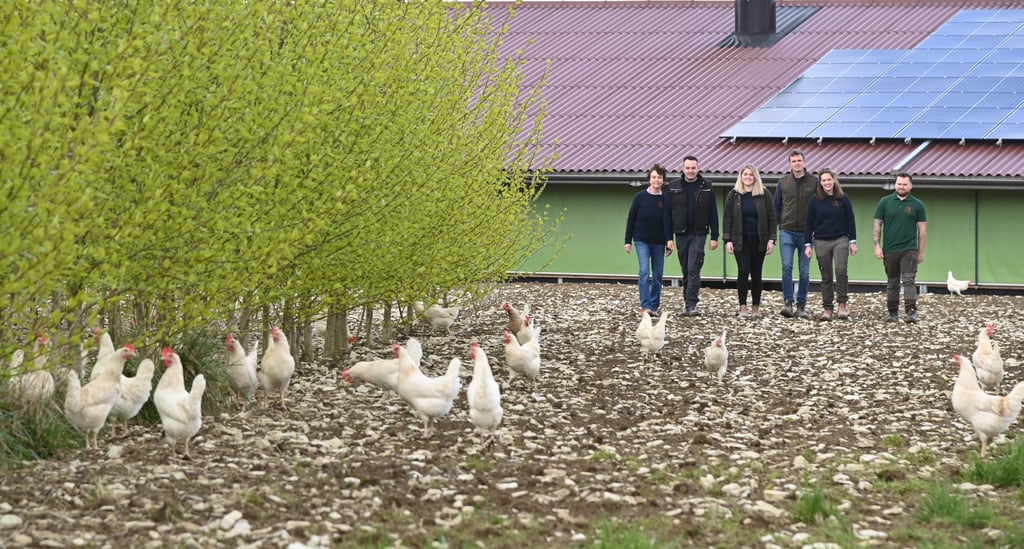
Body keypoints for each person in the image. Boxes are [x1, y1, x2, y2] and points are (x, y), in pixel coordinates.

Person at [668, 155, 720, 317]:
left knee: (693, 267)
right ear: (683, 169)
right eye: (688, 168)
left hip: (700, 233)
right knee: (685, 269)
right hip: (681, 233)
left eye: (693, 168)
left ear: (698, 168)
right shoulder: (673, 186)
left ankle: (692, 304)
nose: (690, 171)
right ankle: (687, 302)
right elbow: (668, 214)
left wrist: (715, 236)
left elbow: (713, 212)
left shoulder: (707, 186)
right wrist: (668, 238)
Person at [723, 164, 777, 319]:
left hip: (759, 239)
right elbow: (727, 218)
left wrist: (772, 239)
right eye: (745, 174)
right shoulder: (734, 195)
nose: (747, 177)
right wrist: (727, 240)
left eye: (750, 174)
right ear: (741, 176)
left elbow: (772, 217)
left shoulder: (764, 194)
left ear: (755, 177)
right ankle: (743, 307)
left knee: (756, 272)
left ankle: (756, 307)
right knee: (743, 270)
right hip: (740, 240)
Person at [803, 169, 858, 321]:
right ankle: (828, 308)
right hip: (821, 241)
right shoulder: (814, 200)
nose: (827, 183)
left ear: (834, 180)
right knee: (826, 275)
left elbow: (850, 220)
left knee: (841, 270)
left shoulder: (843, 198)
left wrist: (853, 241)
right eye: (823, 180)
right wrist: (807, 245)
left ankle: (842, 305)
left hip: (840, 239)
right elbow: (808, 223)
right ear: (820, 183)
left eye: (829, 179)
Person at [873, 172, 927, 323]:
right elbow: (877, 225)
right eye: (899, 184)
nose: (901, 187)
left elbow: (922, 232)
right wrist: (877, 245)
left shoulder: (918, 205)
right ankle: (892, 313)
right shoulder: (884, 202)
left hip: (909, 250)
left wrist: (921, 252)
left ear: (910, 186)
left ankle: (910, 312)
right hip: (889, 249)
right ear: (895, 184)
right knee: (892, 282)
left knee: (909, 280)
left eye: (904, 184)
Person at [625, 164, 675, 315]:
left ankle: (654, 306)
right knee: (644, 271)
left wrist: (669, 240)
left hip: (659, 242)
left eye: (659, 177)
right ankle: (645, 306)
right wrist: (627, 241)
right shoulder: (639, 197)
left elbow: (668, 221)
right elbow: (631, 219)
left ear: (663, 180)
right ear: (649, 179)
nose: (656, 180)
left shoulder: (666, 199)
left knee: (658, 274)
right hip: (641, 240)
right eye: (654, 177)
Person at [774, 149, 817, 319]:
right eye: (793, 161)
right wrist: (772, 233)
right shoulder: (783, 182)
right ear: (789, 163)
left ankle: (801, 305)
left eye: (799, 160)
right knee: (786, 266)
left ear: (804, 162)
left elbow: (818, 207)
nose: (797, 163)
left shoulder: (814, 182)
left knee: (804, 271)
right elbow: (776, 208)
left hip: (807, 234)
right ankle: (787, 302)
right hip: (787, 230)